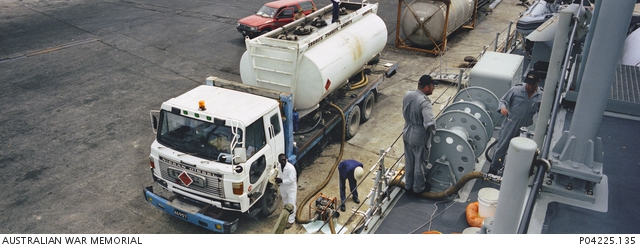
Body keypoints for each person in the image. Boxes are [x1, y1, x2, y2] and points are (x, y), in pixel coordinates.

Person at [489, 71, 543, 175]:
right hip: (511, 122)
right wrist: (503, 108)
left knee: (524, 149)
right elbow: (503, 101)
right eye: (528, 83)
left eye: (532, 84)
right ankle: (494, 168)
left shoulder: (541, 95)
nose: (530, 86)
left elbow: (542, 111)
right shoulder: (516, 89)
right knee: (503, 146)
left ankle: (517, 172)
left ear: (538, 82)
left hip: (527, 125)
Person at [402, 75, 438, 196]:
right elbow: (429, 123)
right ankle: (418, 188)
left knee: (409, 160)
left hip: (406, 130)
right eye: (433, 86)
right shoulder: (424, 101)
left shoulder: (408, 94)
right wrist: (434, 133)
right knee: (420, 162)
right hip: (418, 134)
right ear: (427, 87)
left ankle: (408, 185)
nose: (433, 89)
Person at [275, 153, 297, 229]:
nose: (283, 161)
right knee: (285, 201)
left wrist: (282, 181)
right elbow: (279, 174)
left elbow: (292, 179)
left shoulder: (290, 168)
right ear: (279, 161)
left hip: (290, 188)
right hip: (283, 187)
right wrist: (277, 179)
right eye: (281, 160)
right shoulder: (279, 166)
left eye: (284, 160)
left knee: (291, 203)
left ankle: (291, 220)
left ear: (286, 159)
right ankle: (286, 214)